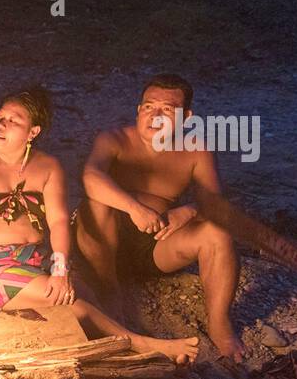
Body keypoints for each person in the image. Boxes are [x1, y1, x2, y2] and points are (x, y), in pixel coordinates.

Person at [0, 86, 199, 364]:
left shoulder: (48, 167)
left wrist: (60, 268)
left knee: (83, 294)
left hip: (34, 259)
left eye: (13, 121)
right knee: (70, 305)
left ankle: (112, 345)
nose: (0, 125)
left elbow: (60, 221)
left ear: (33, 132)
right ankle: (142, 345)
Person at [73, 74, 245, 361]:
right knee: (96, 203)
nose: (155, 115)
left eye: (166, 109)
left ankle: (219, 322)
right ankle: (110, 292)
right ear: (139, 110)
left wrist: (186, 212)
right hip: (103, 245)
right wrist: (134, 208)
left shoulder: (196, 150)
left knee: (218, 232)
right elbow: (91, 177)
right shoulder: (114, 139)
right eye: (148, 107)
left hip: (157, 245)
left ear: (186, 117)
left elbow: (217, 205)